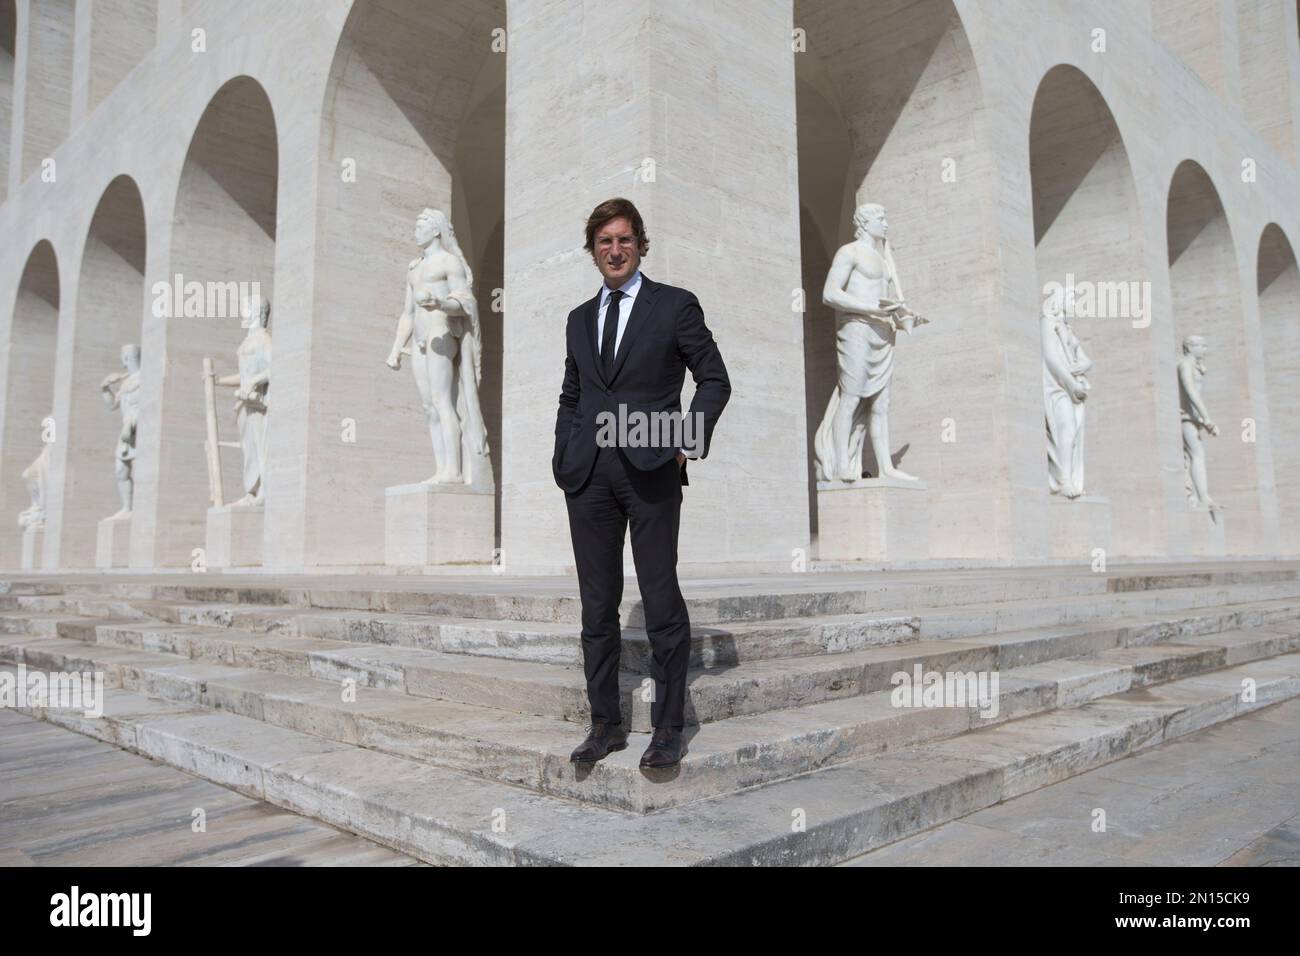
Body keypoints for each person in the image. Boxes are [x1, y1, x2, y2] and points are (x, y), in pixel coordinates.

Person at [553, 197, 730, 769]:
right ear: (593, 251)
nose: (615, 250)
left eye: (625, 239)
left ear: (640, 244)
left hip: (652, 470)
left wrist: (685, 442)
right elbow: (572, 395)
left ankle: (668, 729)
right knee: (596, 607)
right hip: (589, 478)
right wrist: (564, 456)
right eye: (604, 242)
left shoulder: (674, 306)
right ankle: (604, 724)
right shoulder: (579, 319)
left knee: (660, 600)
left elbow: (714, 380)